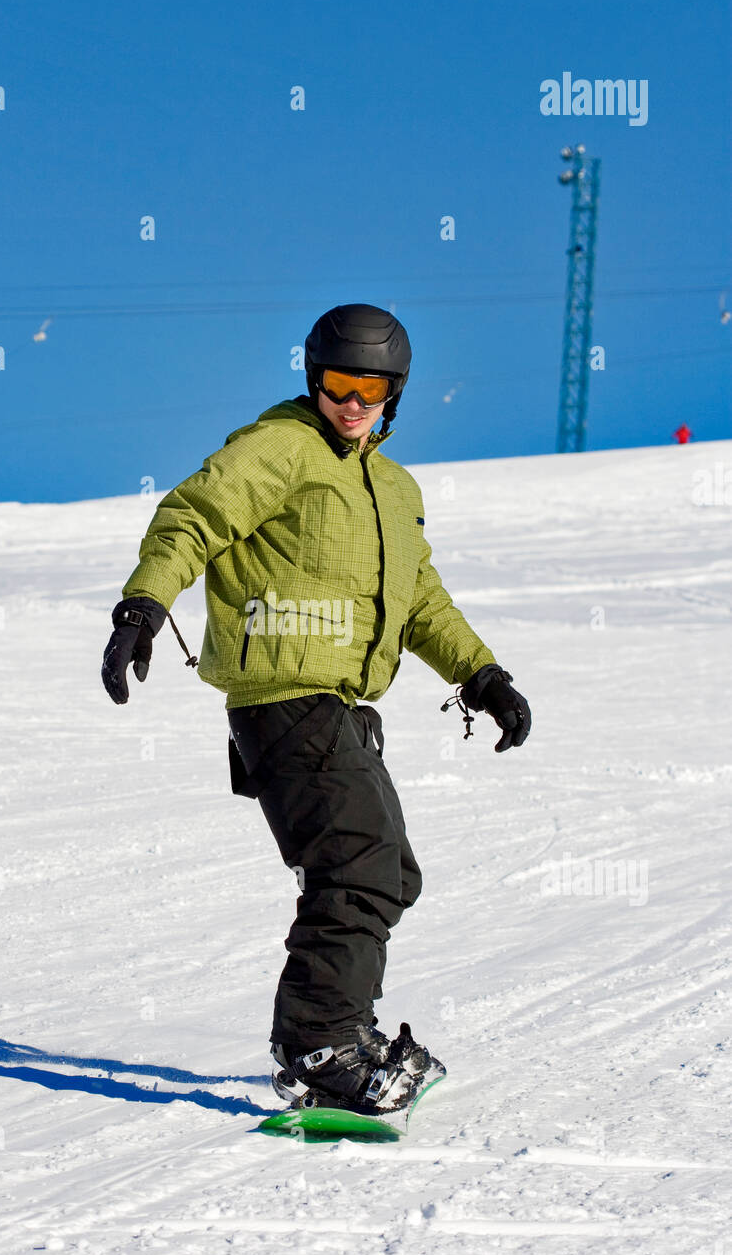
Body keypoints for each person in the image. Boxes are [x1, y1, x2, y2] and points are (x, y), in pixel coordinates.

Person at [101, 303, 531, 1115]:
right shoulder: (281, 447)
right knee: (356, 867)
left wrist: (481, 675)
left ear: (394, 393)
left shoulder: (393, 488)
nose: (354, 402)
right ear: (314, 379)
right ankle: (319, 1043)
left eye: (372, 386)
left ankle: (340, 1029)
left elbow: (420, 598)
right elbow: (193, 516)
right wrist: (143, 607)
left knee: (387, 873)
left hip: (340, 707)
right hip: (283, 696)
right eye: (339, 383)